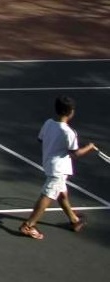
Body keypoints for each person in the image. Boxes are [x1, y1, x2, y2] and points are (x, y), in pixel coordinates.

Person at [18, 96, 97, 239]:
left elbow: (40, 139)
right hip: (58, 170)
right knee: (47, 195)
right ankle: (28, 225)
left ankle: (75, 220)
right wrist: (89, 147)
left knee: (62, 193)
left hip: (49, 164)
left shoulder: (48, 123)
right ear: (70, 112)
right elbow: (75, 153)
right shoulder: (69, 132)